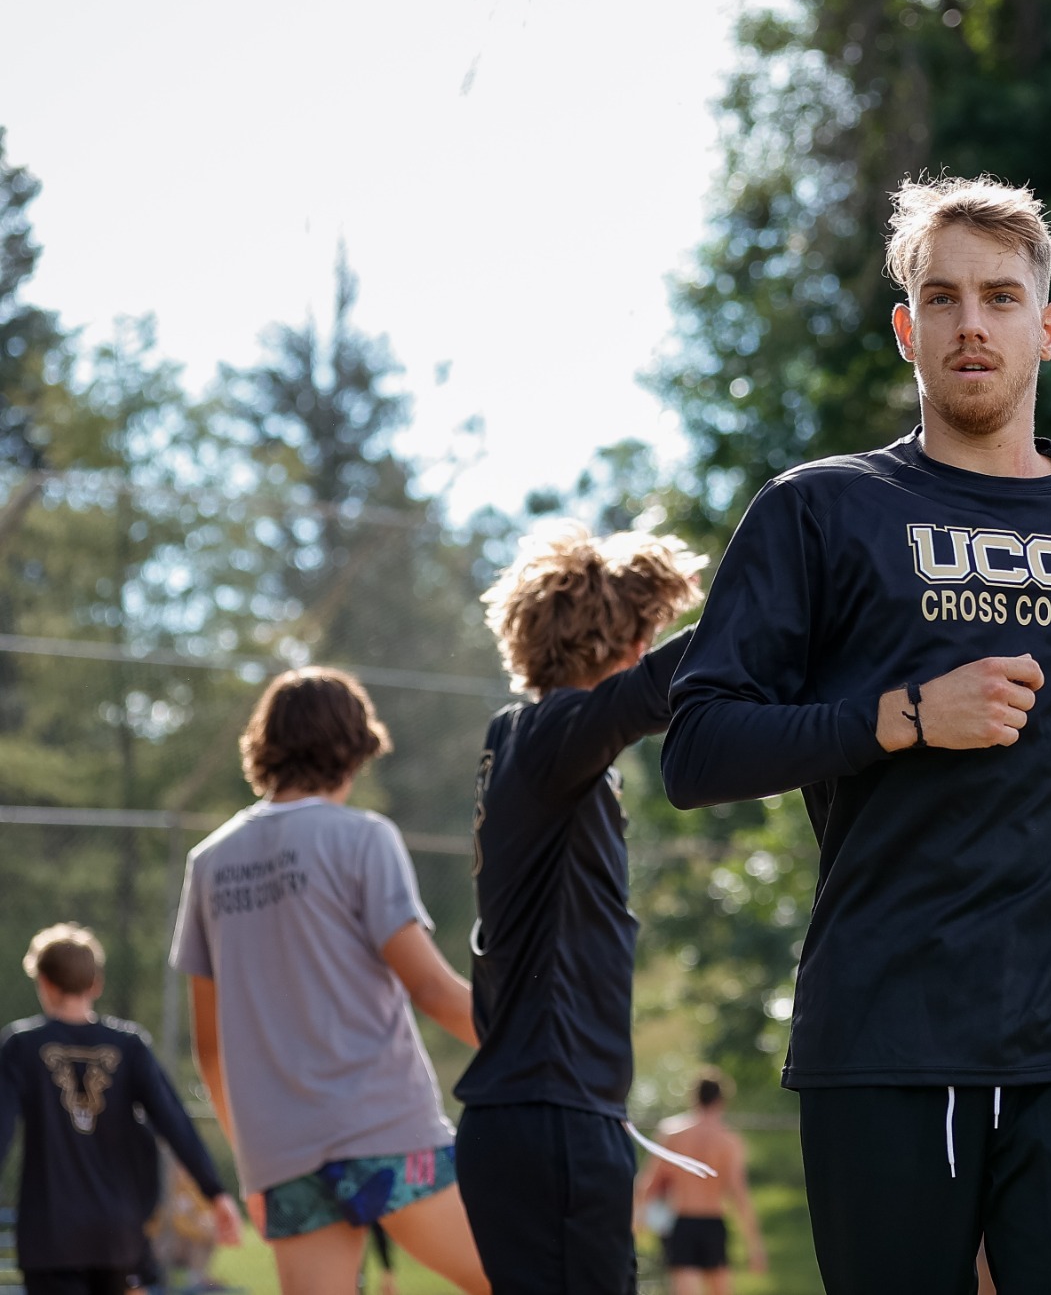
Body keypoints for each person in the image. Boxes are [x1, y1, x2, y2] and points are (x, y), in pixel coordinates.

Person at [661, 175, 1051, 1295]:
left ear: (1046, 328)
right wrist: (904, 717)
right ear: (905, 328)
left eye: (1000, 298)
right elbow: (699, 747)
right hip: (889, 1028)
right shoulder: (815, 509)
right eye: (943, 298)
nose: (971, 323)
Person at [171, 668, 488, 1295]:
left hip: (282, 1156)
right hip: (386, 1136)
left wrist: (254, 1165)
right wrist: (542, 1045)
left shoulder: (209, 863)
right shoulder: (364, 838)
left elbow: (210, 1050)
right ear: (354, 747)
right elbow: (430, 988)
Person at [452, 521, 706, 1292]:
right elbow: (648, 691)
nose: (643, 651)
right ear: (616, 643)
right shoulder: (554, 734)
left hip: (535, 1113)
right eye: (641, 637)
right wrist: (794, 601)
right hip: (552, 1113)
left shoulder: (524, 744)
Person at [0, 923, 240, 1295]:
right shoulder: (129, 1046)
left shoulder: (21, 1046)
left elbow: (1, 1128)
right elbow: (174, 1120)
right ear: (96, 984)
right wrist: (216, 1193)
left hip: (50, 1235)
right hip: (117, 1236)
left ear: (44, 983)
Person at [638, 1071, 766, 1294]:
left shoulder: (673, 1132)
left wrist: (636, 1217)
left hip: (683, 1223)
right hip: (713, 1223)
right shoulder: (729, 1140)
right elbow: (739, 1194)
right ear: (721, 1100)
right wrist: (755, 1245)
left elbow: (649, 1181)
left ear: (694, 1097)